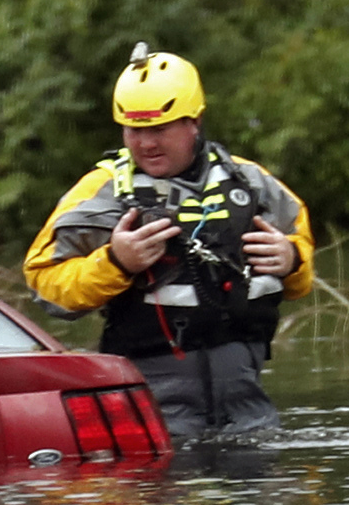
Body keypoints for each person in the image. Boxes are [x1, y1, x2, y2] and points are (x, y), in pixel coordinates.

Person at [23, 45, 315, 440]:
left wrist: (292, 259)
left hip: (248, 414)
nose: (145, 143)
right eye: (134, 130)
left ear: (194, 122)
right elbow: (45, 285)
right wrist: (115, 263)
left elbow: (300, 272)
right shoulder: (101, 193)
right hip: (155, 416)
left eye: (159, 130)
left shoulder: (250, 183)